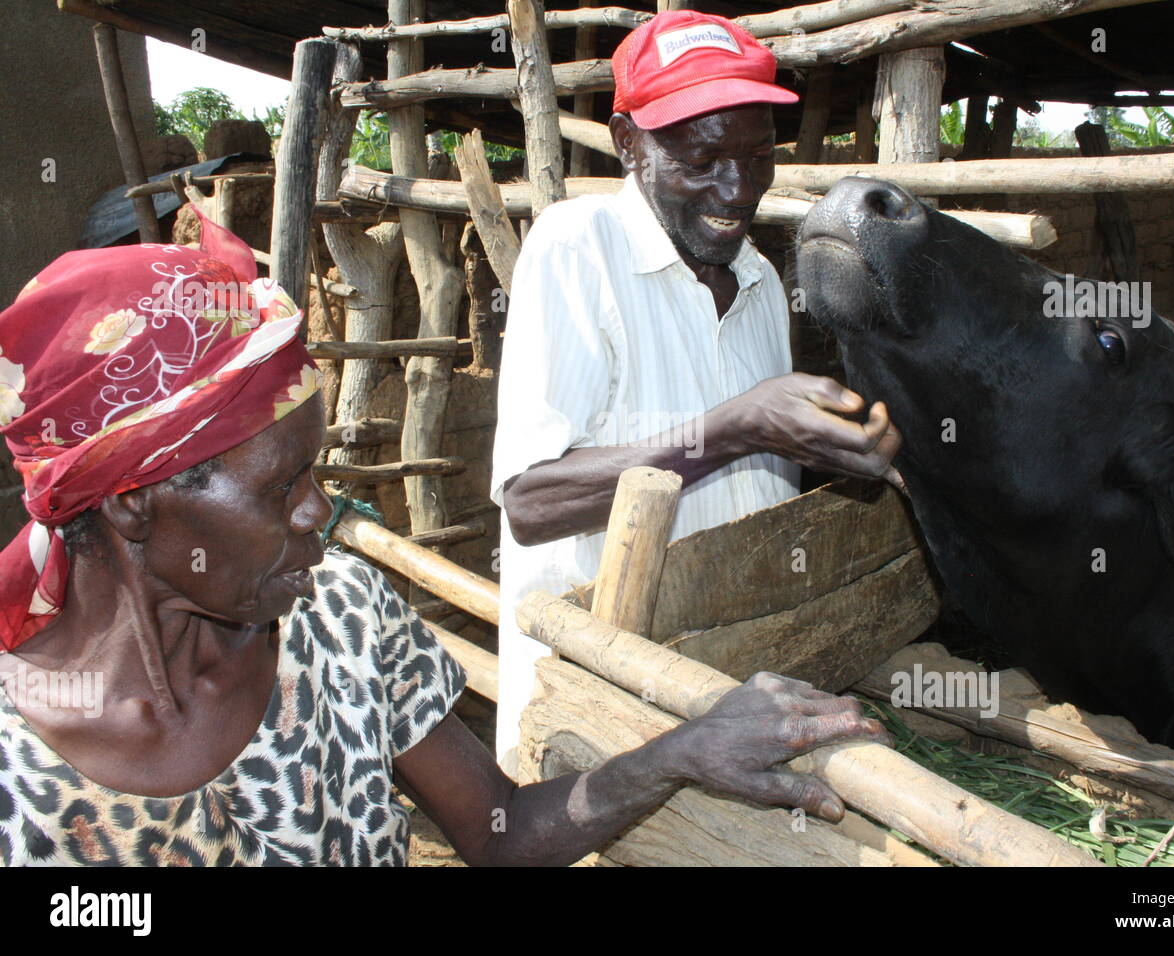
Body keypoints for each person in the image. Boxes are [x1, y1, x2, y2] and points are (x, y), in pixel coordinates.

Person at [0, 212, 887, 866]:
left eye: (315, 471)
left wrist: (680, 754)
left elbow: (498, 830)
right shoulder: (18, 780)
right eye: (281, 486)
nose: (319, 511)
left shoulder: (340, 619)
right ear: (131, 505)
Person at [492, 10, 902, 769]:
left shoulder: (759, 280)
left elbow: (754, 480)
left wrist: (836, 450)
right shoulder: (578, 249)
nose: (737, 189)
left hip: (740, 689)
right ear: (627, 143)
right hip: (598, 718)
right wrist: (737, 427)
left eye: (756, 156)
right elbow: (531, 503)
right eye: (704, 158)